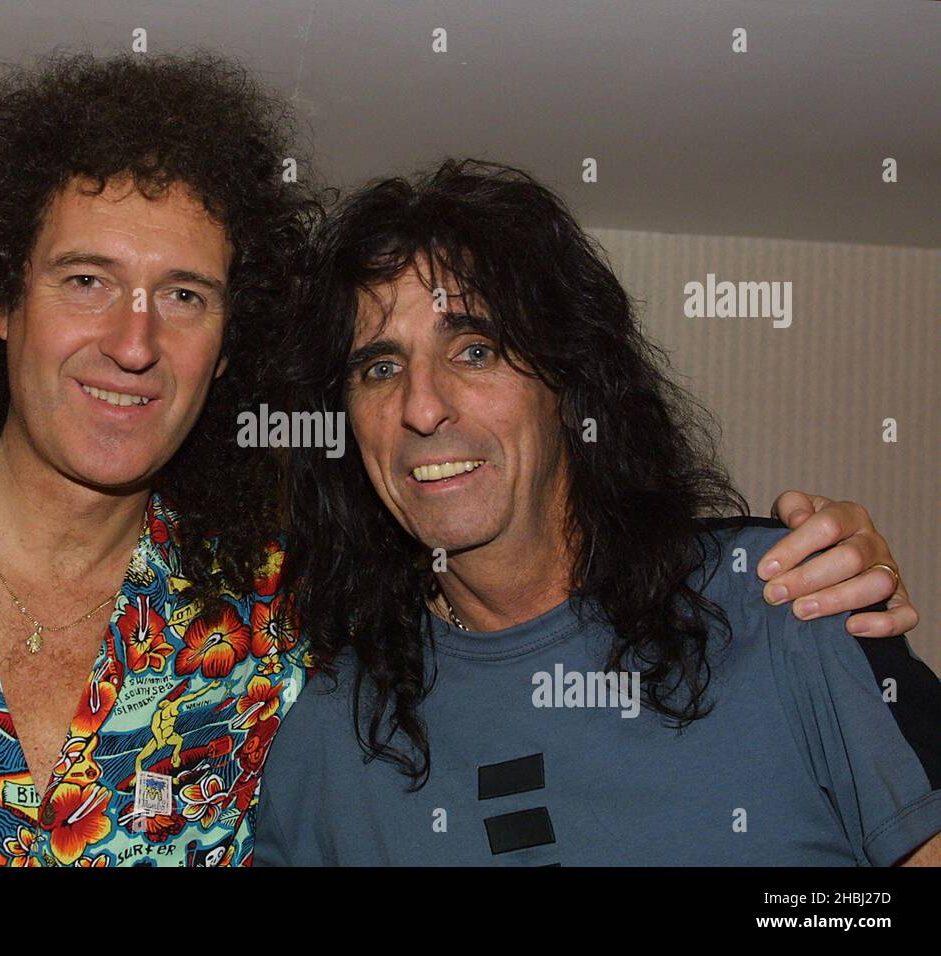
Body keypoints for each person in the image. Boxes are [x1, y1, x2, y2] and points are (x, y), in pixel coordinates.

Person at [0, 54, 915, 867]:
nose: (132, 340)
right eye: (88, 279)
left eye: (185, 295)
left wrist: (815, 584)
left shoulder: (265, 643)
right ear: (0, 303)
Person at [256, 160, 938, 866]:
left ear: (570, 384)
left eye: (476, 350)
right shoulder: (324, 739)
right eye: (380, 368)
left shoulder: (787, 600)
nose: (422, 407)